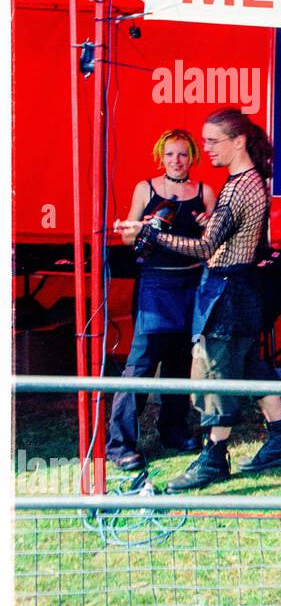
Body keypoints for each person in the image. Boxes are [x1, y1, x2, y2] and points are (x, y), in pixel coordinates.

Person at [115, 109, 281, 491]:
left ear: (238, 142)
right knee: (252, 367)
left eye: (212, 141)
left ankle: (214, 458)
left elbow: (204, 248)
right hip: (241, 287)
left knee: (216, 374)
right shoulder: (250, 181)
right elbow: (224, 235)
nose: (205, 149)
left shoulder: (236, 186)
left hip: (227, 292)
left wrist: (151, 235)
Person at [107, 130, 215, 470]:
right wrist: (130, 229)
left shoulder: (204, 192)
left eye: (182, 154)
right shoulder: (146, 189)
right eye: (170, 154)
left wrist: (209, 221)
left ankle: (173, 430)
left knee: (179, 364)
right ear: (160, 156)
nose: (176, 161)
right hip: (155, 283)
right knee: (140, 365)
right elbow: (127, 237)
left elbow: (214, 237)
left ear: (192, 156)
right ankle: (119, 444)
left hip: (190, 281)